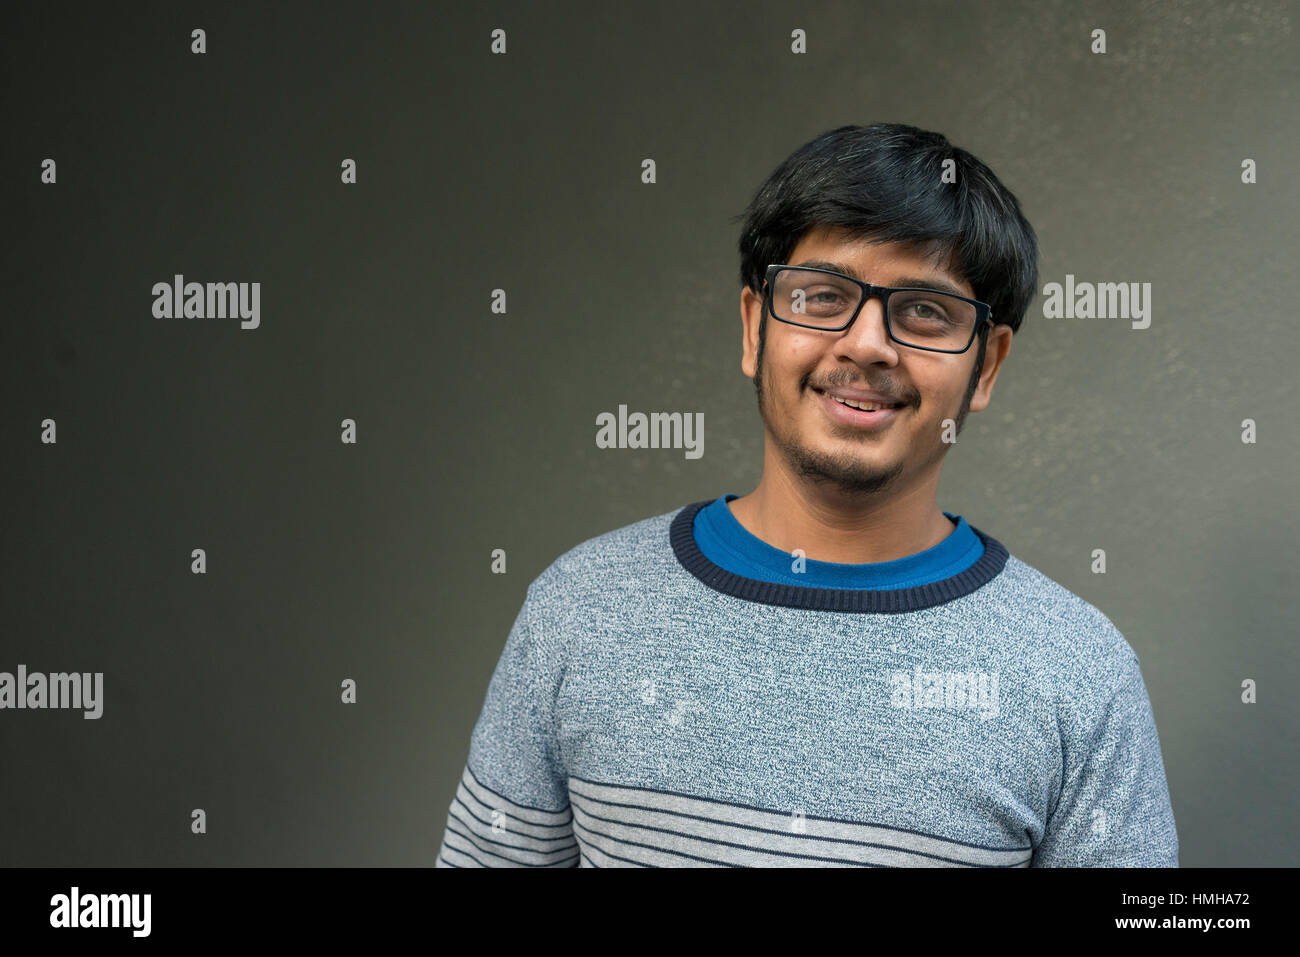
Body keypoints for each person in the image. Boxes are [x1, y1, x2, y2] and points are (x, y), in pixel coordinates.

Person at [435, 122, 1178, 867]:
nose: (866, 344)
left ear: (986, 365)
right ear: (756, 326)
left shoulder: (1077, 675)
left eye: (925, 309)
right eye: (823, 296)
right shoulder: (579, 610)